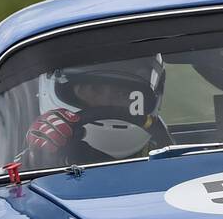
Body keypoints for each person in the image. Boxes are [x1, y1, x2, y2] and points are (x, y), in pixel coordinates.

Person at [23, 54, 171, 169]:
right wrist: (36, 159)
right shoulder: (26, 165)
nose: (106, 102)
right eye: (94, 89)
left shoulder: (170, 157)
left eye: (122, 93)